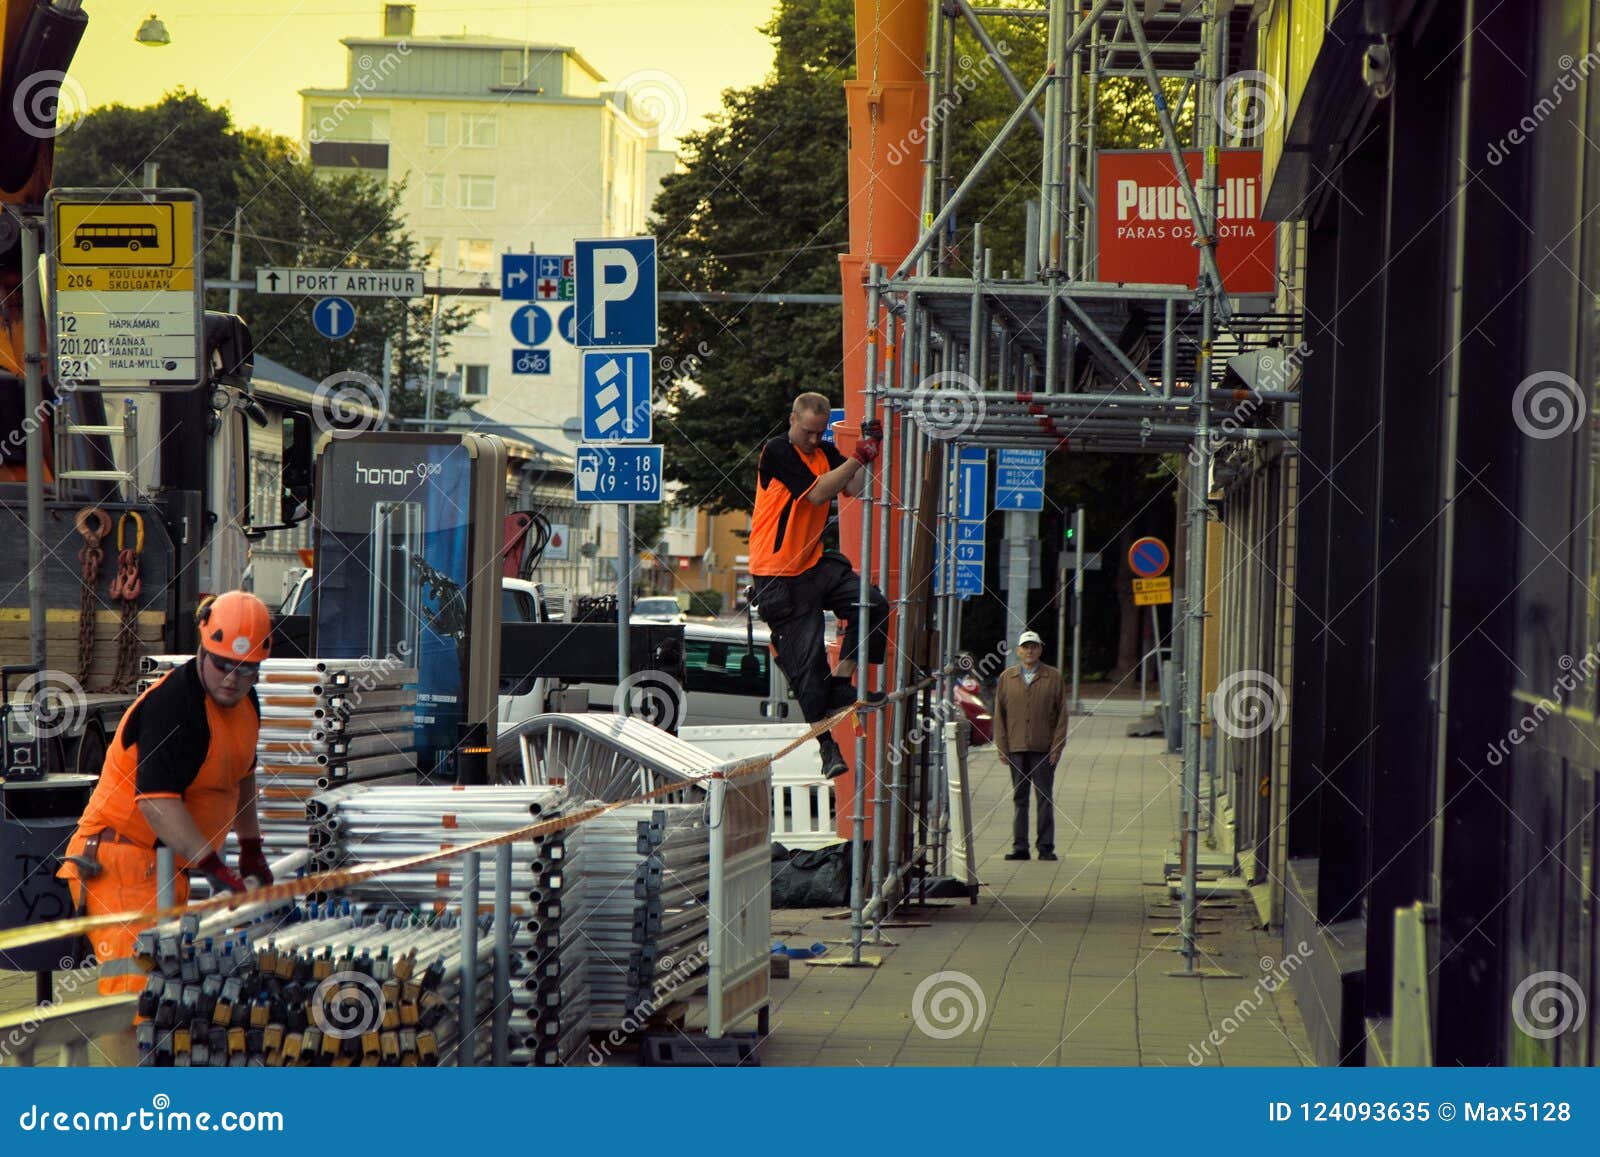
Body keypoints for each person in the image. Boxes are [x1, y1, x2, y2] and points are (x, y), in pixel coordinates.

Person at [58, 591, 275, 1019]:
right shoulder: (174, 706)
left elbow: (244, 776)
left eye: (246, 670)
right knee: (136, 1003)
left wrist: (251, 849)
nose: (232, 679)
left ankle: (161, 1083)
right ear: (202, 649)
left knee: (170, 995)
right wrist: (214, 867)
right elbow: (157, 803)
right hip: (120, 863)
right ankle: (129, 1085)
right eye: (222, 665)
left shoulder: (246, 704)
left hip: (164, 867)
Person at [751, 392, 889, 779]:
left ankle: (844, 681)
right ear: (792, 418)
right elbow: (817, 493)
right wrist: (856, 458)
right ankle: (828, 748)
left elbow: (856, 489)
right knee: (807, 671)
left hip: (812, 565)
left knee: (872, 603)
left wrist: (871, 452)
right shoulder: (777, 451)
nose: (813, 440)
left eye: (818, 433)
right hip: (777, 575)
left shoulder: (825, 452)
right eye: (807, 431)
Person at [992, 629, 1069, 861]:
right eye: (1025, 647)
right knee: (1020, 798)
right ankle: (1020, 847)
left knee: (1044, 797)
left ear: (1040, 649)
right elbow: (999, 715)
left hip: (1043, 748)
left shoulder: (1053, 677)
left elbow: (1062, 716)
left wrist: (1057, 747)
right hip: (1016, 748)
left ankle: (1046, 847)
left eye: (1033, 646)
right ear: (1018, 651)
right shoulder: (1007, 677)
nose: (1029, 651)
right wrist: (1002, 747)